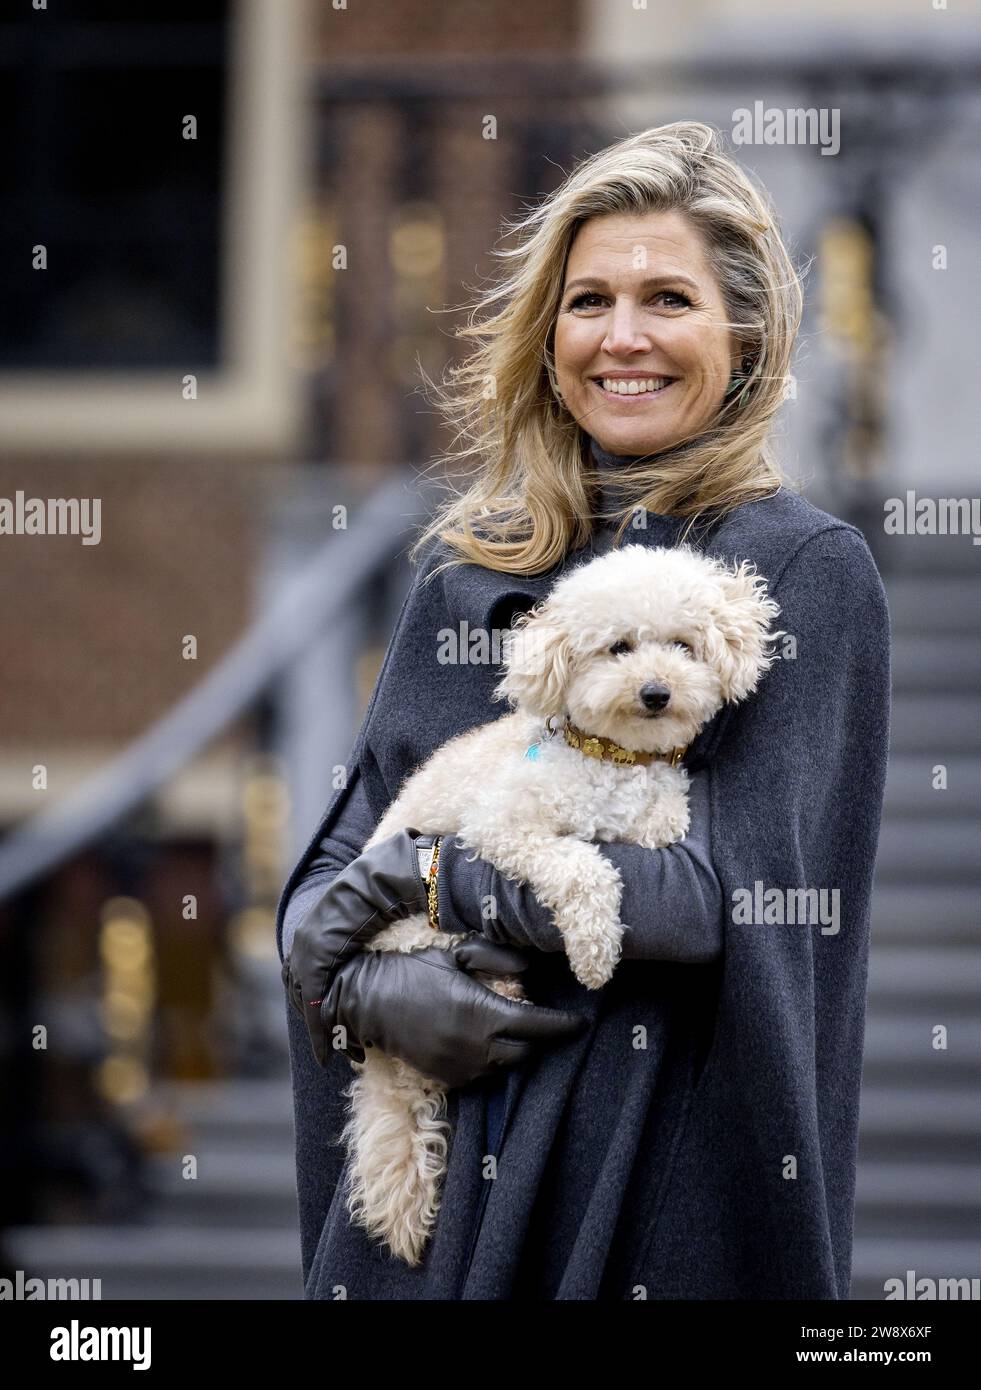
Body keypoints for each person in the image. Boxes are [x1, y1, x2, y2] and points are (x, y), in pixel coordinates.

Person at [277, 120, 890, 1300]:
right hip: (433, 1218)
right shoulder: (468, 573)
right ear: (547, 333)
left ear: (746, 336)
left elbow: (720, 895)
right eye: (588, 300)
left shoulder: (797, 570)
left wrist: (446, 881)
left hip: (650, 1195)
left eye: (668, 299)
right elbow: (322, 892)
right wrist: (363, 992)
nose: (622, 338)